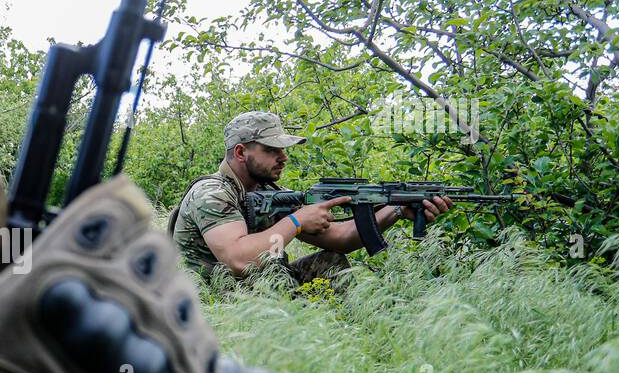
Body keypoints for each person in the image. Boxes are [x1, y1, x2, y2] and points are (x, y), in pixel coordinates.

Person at [170, 111, 451, 284]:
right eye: (272, 150)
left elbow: (340, 238)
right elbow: (238, 259)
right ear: (241, 153)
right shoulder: (211, 194)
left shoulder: (267, 192)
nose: (284, 157)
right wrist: (296, 221)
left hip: (258, 290)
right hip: (214, 301)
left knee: (331, 263)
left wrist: (397, 210)